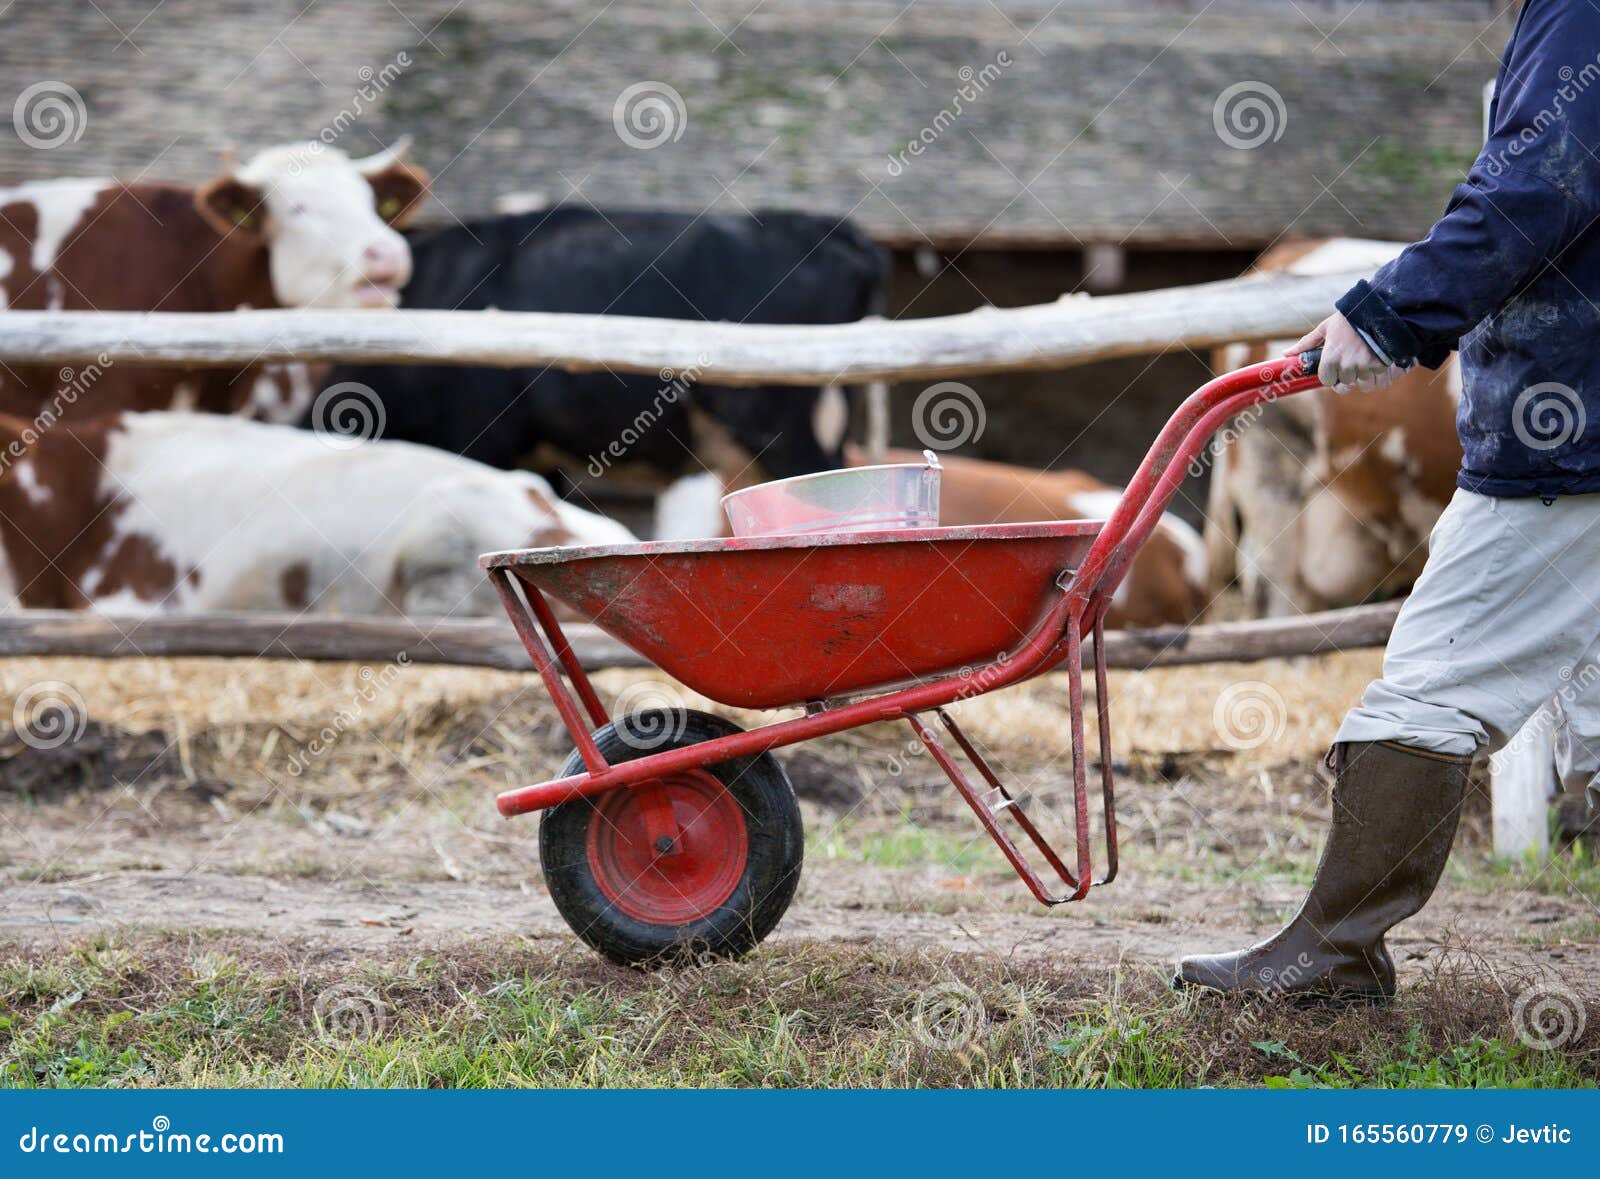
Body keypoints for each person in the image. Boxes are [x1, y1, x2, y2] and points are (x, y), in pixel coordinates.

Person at [1178, 0, 1600, 1001]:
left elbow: (1540, 179)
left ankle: (1331, 963)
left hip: (1572, 422)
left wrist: (1391, 309)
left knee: (1432, 683)